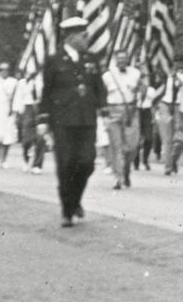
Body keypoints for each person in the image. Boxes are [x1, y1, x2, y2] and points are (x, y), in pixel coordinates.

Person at [42, 16, 106, 226]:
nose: (87, 39)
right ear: (71, 37)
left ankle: (76, 199)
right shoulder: (54, 60)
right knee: (66, 164)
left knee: (87, 163)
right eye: (83, 36)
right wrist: (43, 118)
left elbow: (99, 87)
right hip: (62, 121)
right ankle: (67, 210)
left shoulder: (91, 59)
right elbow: (46, 91)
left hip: (86, 119)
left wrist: (104, 108)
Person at [103, 52, 143, 189]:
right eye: (119, 59)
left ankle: (126, 169)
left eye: (124, 59)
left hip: (130, 111)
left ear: (128, 60)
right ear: (115, 60)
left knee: (132, 146)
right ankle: (118, 178)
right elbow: (102, 95)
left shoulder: (136, 73)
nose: (122, 61)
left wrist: (141, 87)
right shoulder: (107, 76)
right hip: (113, 111)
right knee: (116, 146)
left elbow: (142, 90)